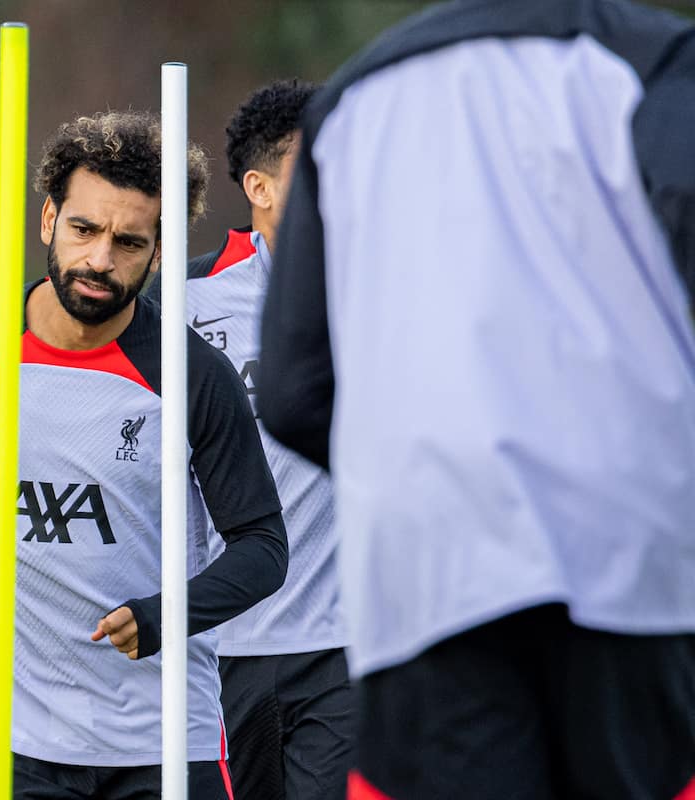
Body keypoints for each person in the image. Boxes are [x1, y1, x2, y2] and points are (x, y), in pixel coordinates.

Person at [258, 1, 695, 798]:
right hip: (629, 552)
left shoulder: (350, 101)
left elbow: (291, 389)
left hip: (429, 561)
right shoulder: (662, 61)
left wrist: (411, 463)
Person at [0, 110, 288, 799]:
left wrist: (166, 614)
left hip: (164, 736)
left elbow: (264, 547)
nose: (99, 260)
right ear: (48, 220)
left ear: (159, 253)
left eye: (128, 242)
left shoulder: (191, 373)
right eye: (84, 230)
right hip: (11, 736)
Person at [146, 78, 353, 800]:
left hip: (344, 644)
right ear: (260, 187)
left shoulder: (382, 286)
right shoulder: (183, 301)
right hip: (221, 647)